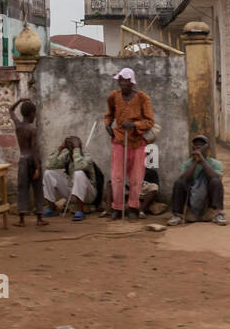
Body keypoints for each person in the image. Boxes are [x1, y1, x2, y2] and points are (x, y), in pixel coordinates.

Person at [103, 68, 154, 220]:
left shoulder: (142, 98)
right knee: (117, 176)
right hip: (119, 139)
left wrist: (134, 125)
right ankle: (117, 208)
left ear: (132, 83)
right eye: (121, 80)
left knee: (136, 177)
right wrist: (107, 125)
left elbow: (150, 121)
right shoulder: (113, 96)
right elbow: (109, 114)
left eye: (126, 81)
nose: (123, 84)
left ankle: (133, 208)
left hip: (137, 141)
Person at [168, 134, 226, 225]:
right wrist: (195, 161)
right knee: (179, 183)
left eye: (202, 144)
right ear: (192, 148)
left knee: (216, 181)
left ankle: (218, 213)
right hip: (192, 193)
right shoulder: (187, 164)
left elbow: (214, 176)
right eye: (196, 144)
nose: (199, 146)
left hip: (208, 194)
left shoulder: (215, 163)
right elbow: (184, 178)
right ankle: (177, 215)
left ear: (207, 148)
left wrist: (202, 159)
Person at [10, 97, 45, 227]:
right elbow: (34, 149)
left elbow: (10, 109)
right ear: (31, 115)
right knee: (37, 189)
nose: (34, 116)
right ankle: (39, 218)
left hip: (22, 160)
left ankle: (22, 220)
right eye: (34, 114)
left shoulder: (18, 126)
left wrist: (19, 100)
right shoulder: (32, 129)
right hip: (32, 160)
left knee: (22, 189)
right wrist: (37, 167)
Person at [41, 136, 96, 221]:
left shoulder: (87, 157)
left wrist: (76, 150)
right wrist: (61, 148)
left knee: (78, 173)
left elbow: (78, 166)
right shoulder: (67, 156)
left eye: (72, 146)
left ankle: (79, 211)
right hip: (72, 192)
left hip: (88, 194)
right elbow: (49, 164)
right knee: (48, 173)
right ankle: (52, 208)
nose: (71, 149)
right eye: (69, 147)